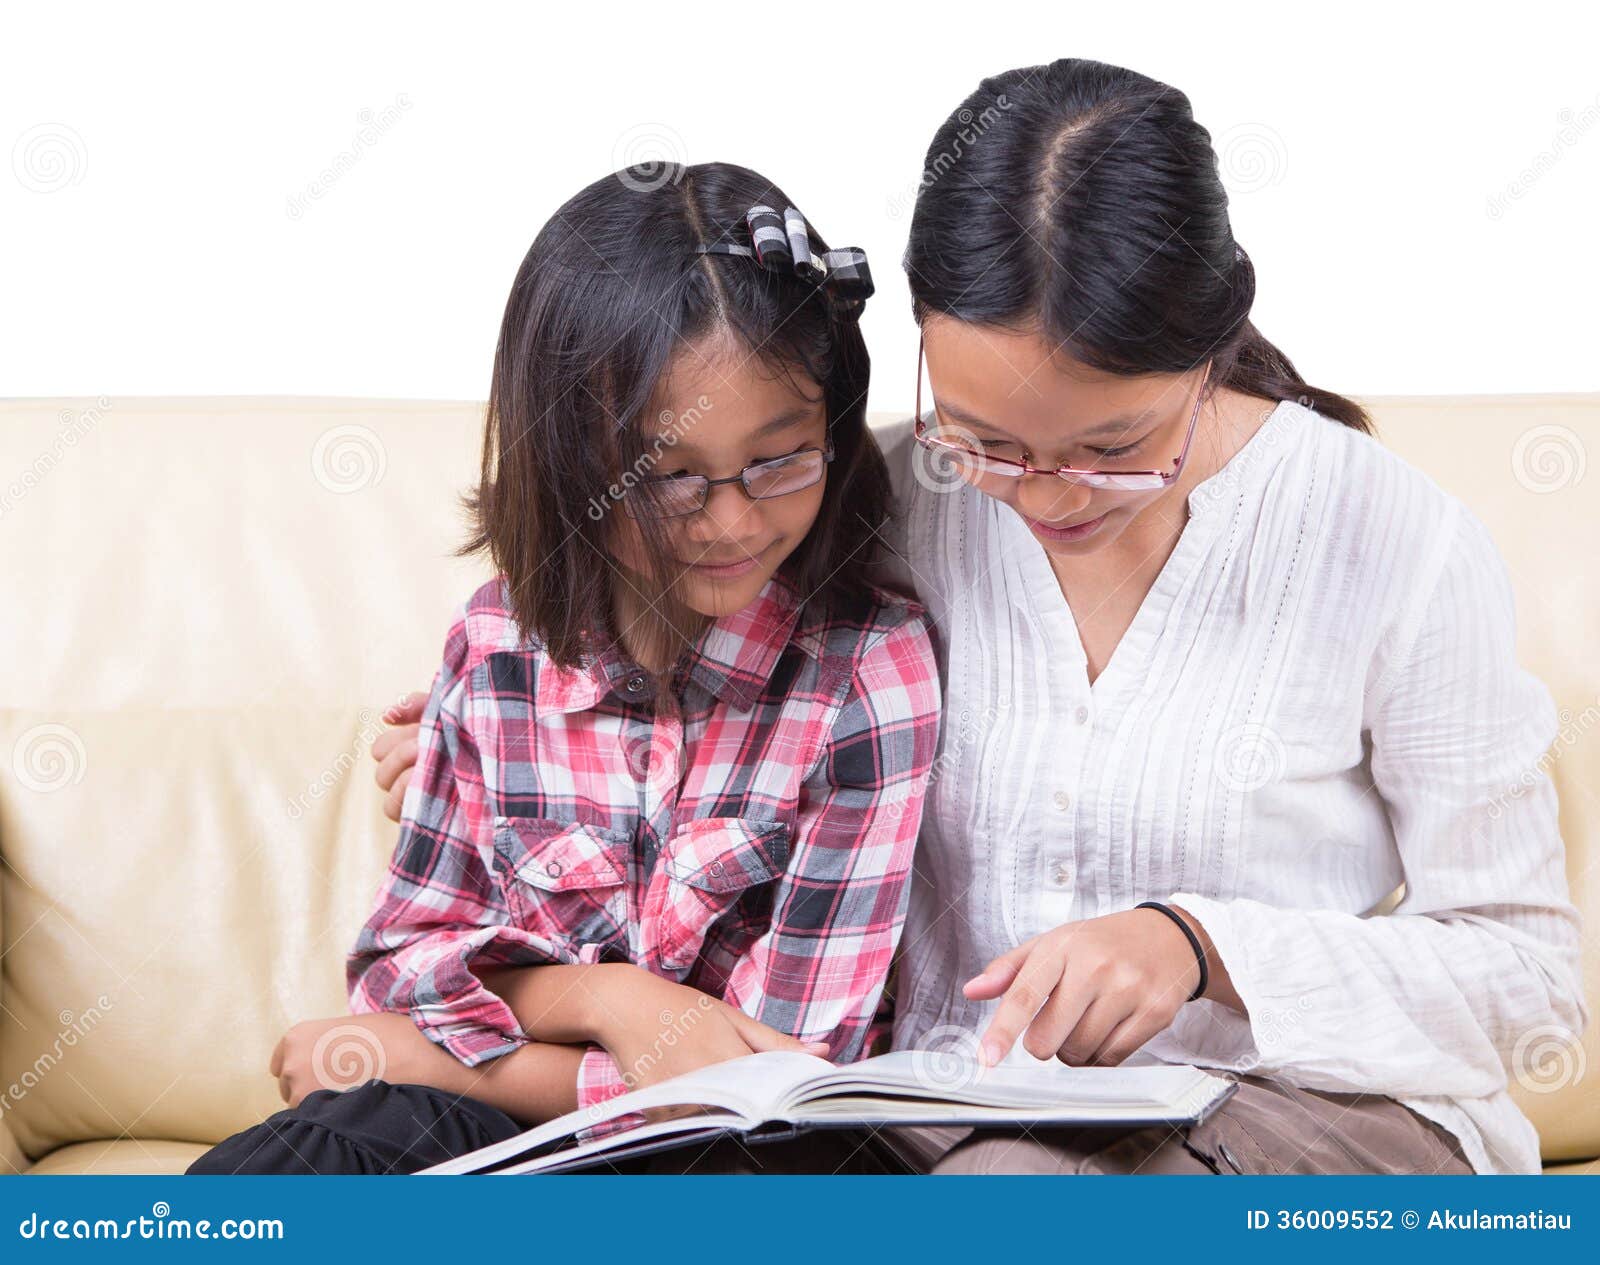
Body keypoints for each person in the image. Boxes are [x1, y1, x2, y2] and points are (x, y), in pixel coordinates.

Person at [375, 58, 1588, 1176]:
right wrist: (474, 734)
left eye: (1114, 447)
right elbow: (660, 685)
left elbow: (1535, 983)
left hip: (1307, 1111)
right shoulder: (876, 506)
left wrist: (1202, 945)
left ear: (1210, 347)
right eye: (986, 438)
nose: (1044, 494)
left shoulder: (1393, 542)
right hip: (941, 1110)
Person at [187, 161, 941, 1174]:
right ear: (569, 459)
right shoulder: (498, 644)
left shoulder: (866, 675)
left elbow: (778, 1077)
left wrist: (441, 1060)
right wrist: (610, 997)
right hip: (520, 1124)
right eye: (669, 475)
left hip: (749, 1153)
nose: (731, 520)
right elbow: (402, 970)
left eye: (780, 457)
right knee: (301, 1157)